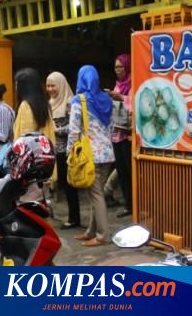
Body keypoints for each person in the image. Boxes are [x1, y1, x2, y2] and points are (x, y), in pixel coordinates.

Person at [67, 65, 114, 247]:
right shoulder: (106, 99)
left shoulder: (79, 100)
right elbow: (111, 126)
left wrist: (70, 152)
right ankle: (91, 231)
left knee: (96, 195)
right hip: (107, 152)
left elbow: (73, 130)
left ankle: (103, 236)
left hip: (90, 155)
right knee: (97, 193)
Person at [12, 68, 57, 201]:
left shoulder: (25, 106)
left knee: (29, 205)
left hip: (30, 167)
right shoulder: (45, 105)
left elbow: (24, 139)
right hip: (44, 164)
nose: (16, 87)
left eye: (17, 84)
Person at [47, 71, 81, 229]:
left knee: (69, 186)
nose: (50, 89)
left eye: (53, 85)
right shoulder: (50, 103)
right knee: (59, 184)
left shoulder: (70, 102)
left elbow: (75, 127)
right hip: (54, 150)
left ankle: (74, 218)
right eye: (48, 86)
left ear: (61, 85)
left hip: (67, 150)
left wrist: (57, 130)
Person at [107, 54, 133, 217]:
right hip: (116, 132)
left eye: (120, 67)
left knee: (130, 171)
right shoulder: (117, 85)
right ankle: (127, 203)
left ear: (127, 67)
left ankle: (134, 202)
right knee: (122, 171)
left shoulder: (133, 83)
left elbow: (136, 103)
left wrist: (121, 98)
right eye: (116, 67)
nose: (117, 70)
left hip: (128, 134)